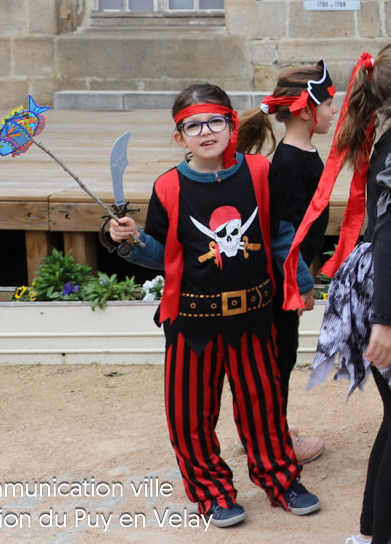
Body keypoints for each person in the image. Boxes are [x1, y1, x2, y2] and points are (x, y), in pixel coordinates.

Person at [108, 84, 320, 528]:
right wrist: (129, 242)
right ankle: (211, 491)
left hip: (254, 317)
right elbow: (163, 255)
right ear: (179, 135)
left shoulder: (260, 172)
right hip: (191, 322)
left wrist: (298, 286)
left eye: (215, 121)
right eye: (193, 125)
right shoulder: (168, 186)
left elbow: (281, 237)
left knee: (263, 404)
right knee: (190, 413)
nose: (206, 131)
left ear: (230, 124)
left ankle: (281, 479)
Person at [299, 42, 391, 544]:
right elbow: (388, 233)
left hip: (384, 285)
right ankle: (382, 538)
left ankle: (368, 534)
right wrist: (385, 319)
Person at [236, 62, 336, 466]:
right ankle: (272, 440)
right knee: (280, 354)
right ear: (306, 110)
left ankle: (263, 427)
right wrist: (301, 282)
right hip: (280, 281)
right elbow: (283, 231)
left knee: (278, 353)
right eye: (329, 104)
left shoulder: (302, 153)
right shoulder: (291, 164)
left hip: (285, 276)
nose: (333, 111)